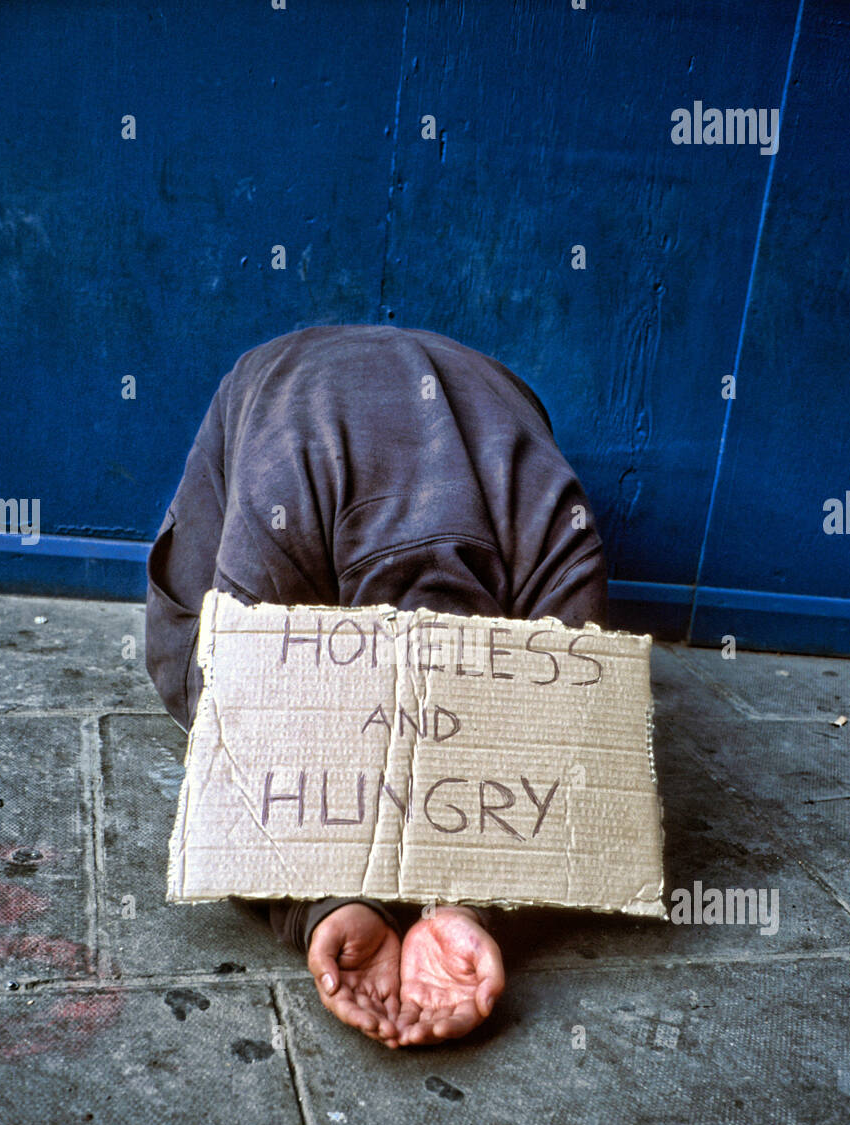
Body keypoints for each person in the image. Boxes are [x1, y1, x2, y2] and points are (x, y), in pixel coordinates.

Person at [145, 324, 607, 1048]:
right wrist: (319, 902)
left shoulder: (559, 549)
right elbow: (232, 746)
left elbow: (561, 759)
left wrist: (464, 906)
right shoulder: (276, 522)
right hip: (282, 382)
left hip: (493, 392)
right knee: (188, 659)